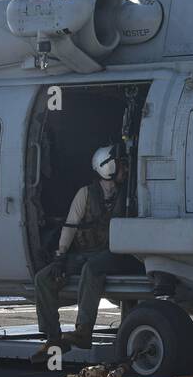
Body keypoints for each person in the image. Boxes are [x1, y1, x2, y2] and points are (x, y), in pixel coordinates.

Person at [31, 144, 135, 359]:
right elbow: (70, 226)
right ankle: (53, 338)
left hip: (114, 254)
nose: (126, 170)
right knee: (44, 278)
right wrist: (60, 257)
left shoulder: (129, 195)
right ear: (110, 167)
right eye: (122, 165)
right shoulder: (85, 194)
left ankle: (83, 331)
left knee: (92, 269)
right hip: (86, 252)